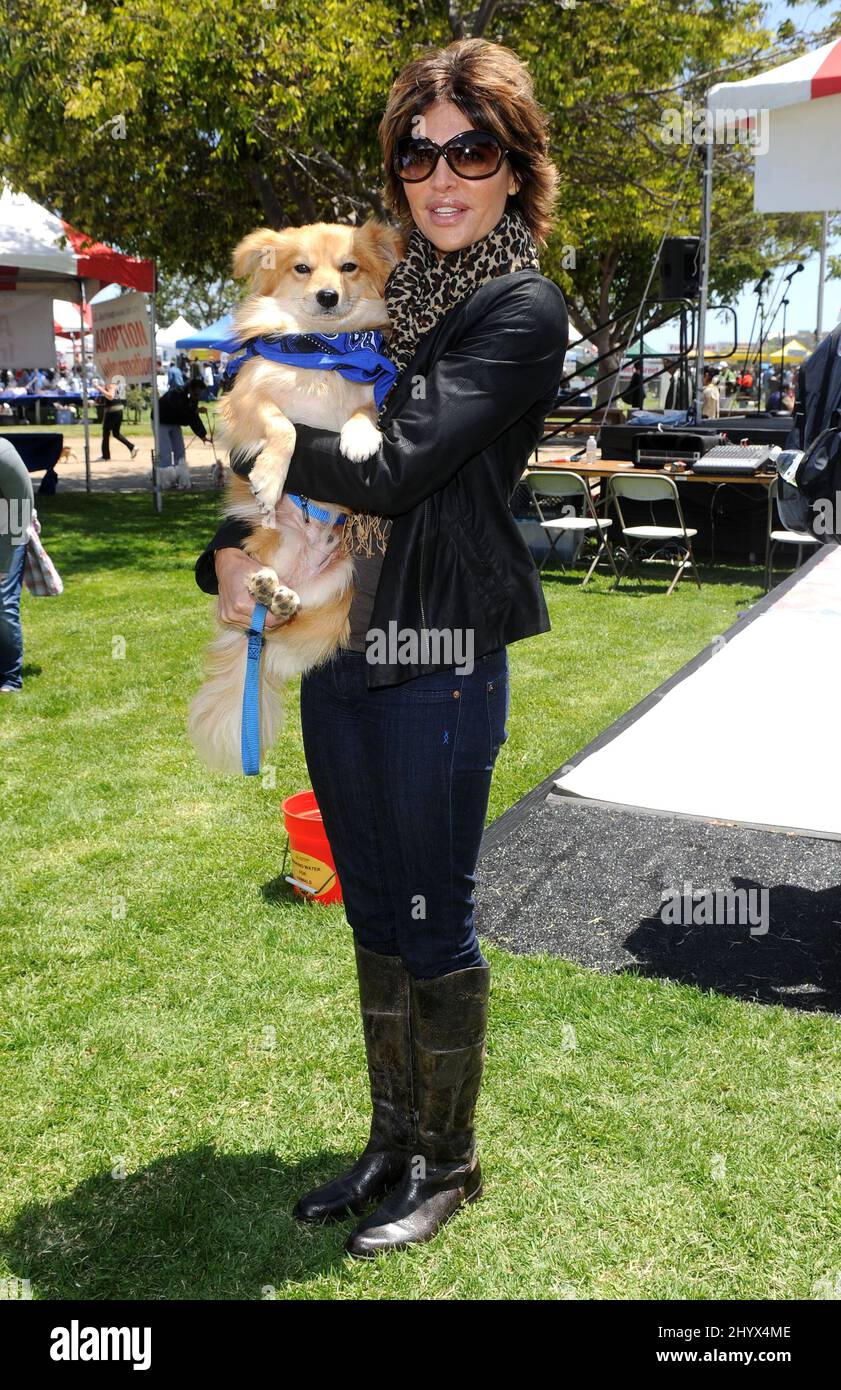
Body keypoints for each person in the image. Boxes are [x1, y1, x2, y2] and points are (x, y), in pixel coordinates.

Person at [194, 37, 568, 1259]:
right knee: (369, 905)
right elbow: (283, 461)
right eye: (419, 151)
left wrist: (258, 428)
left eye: (472, 149)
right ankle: (391, 1138)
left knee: (430, 908)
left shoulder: (516, 307)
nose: (441, 173)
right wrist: (226, 555)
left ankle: (447, 1160)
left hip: (441, 637)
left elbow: (398, 467)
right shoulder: (374, 295)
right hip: (338, 636)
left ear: (514, 166)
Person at [0, 437, 35, 692]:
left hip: (10, 530)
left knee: (3, 602)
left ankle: (10, 676)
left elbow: (19, 509)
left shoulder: (3, 453)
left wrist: (3, 563)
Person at [157, 378, 208, 488]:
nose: (197, 397)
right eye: (196, 394)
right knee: (165, 452)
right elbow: (181, 409)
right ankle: (166, 482)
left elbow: (193, 418)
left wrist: (202, 435)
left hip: (175, 422)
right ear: (190, 389)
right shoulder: (176, 393)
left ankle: (182, 480)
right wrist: (195, 410)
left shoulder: (192, 398)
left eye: (199, 395)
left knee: (180, 452)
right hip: (161, 421)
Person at [95, 377, 138, 462]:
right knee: (116, 433)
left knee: (106, 433)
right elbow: (107, 404)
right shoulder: (108, 385)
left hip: (113, 411)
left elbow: (110, 396)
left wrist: (98, 388)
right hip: (117, 410)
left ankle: (105, 456)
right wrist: (104, 419)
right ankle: (132, 447)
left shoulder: (111, 383)